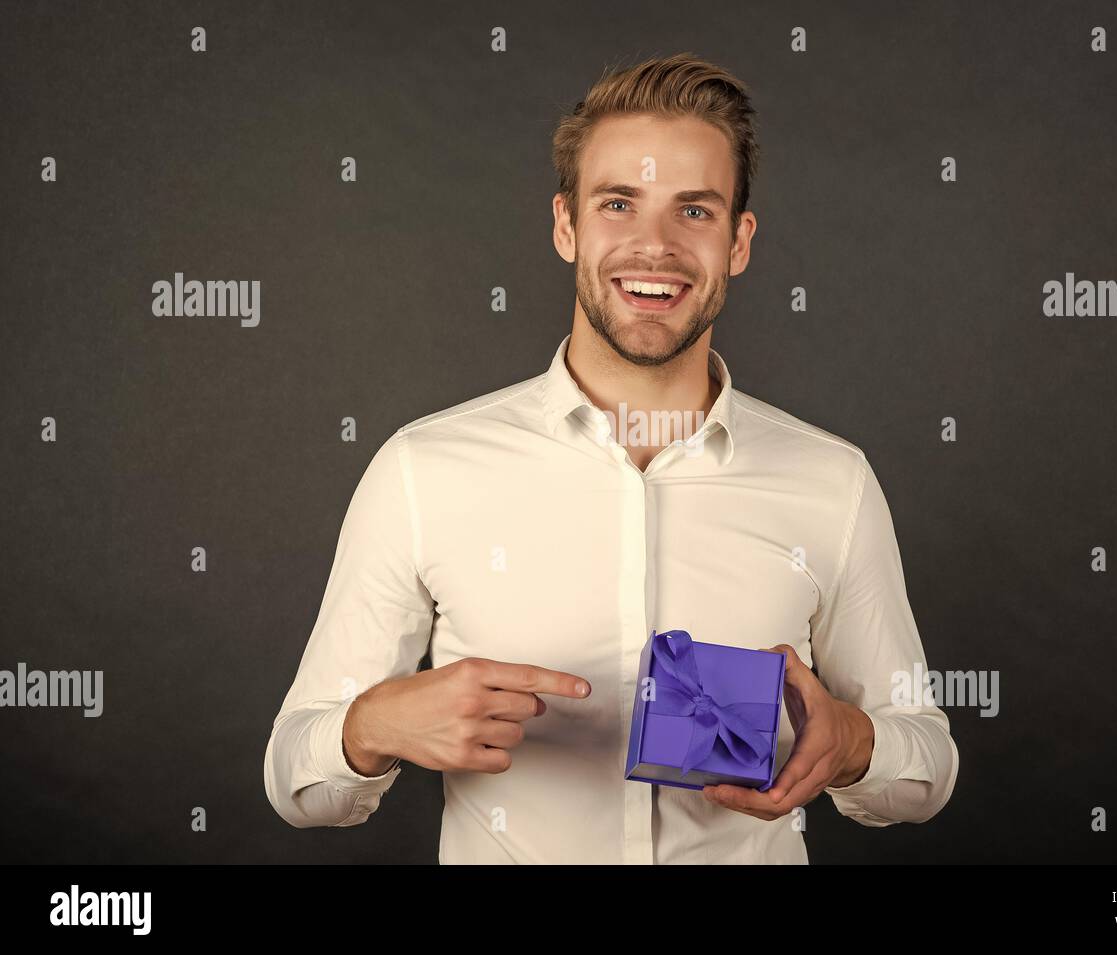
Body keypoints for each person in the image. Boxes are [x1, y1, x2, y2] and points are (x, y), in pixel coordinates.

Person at [263, 52, 958, 864]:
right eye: (619, 203)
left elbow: (927, 764)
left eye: (694, 211)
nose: (653, 246)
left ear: (739, 241)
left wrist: (852, 743)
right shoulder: (421, 470)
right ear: (567, 226)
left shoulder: (832, 483)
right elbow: (293, 778)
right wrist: (372, 725)